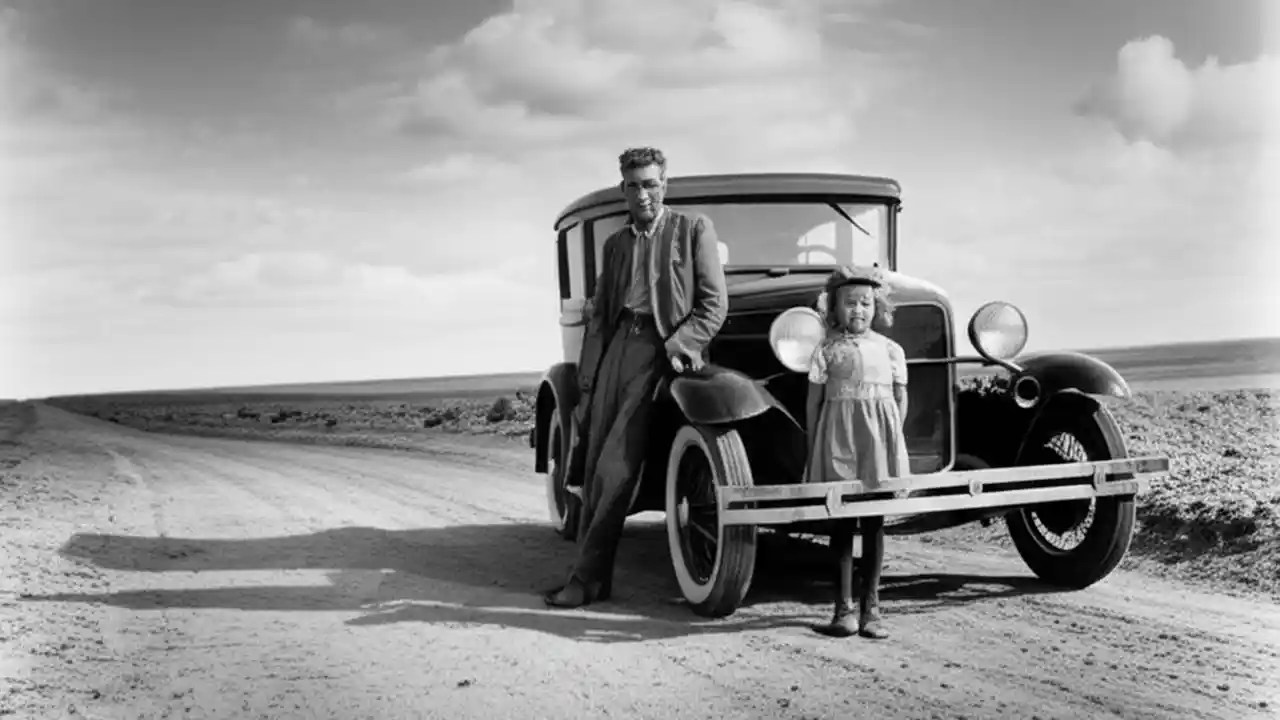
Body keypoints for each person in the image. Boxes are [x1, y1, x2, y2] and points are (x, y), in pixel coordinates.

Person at [543, 146, 729, 609]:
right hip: (615, 352)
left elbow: (713, 305)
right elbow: (603, 314)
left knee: (614, 469)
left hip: (659, 351)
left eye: (650, 183)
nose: (642, 193)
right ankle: (592, 580)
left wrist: (677, 347)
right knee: (589, 467)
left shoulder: (693, 230)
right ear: (623, 189)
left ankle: (584, 580)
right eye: (633, 185)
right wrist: (588, 377)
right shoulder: (616, 244)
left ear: (664, 184)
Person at [804, 264, 909, 639]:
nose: (858, 310)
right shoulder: (825, 351)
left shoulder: (891, 350)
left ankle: (873, 610)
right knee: (843, 526)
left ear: (877, 307)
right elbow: (814, 404)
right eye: (850, 303)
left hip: (876, 446)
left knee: (874, 525)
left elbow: (900, 401)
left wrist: (892, 442)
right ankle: (843, 611)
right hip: (838, 443)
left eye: (866, 303)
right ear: (834, 307)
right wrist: (814, 448)